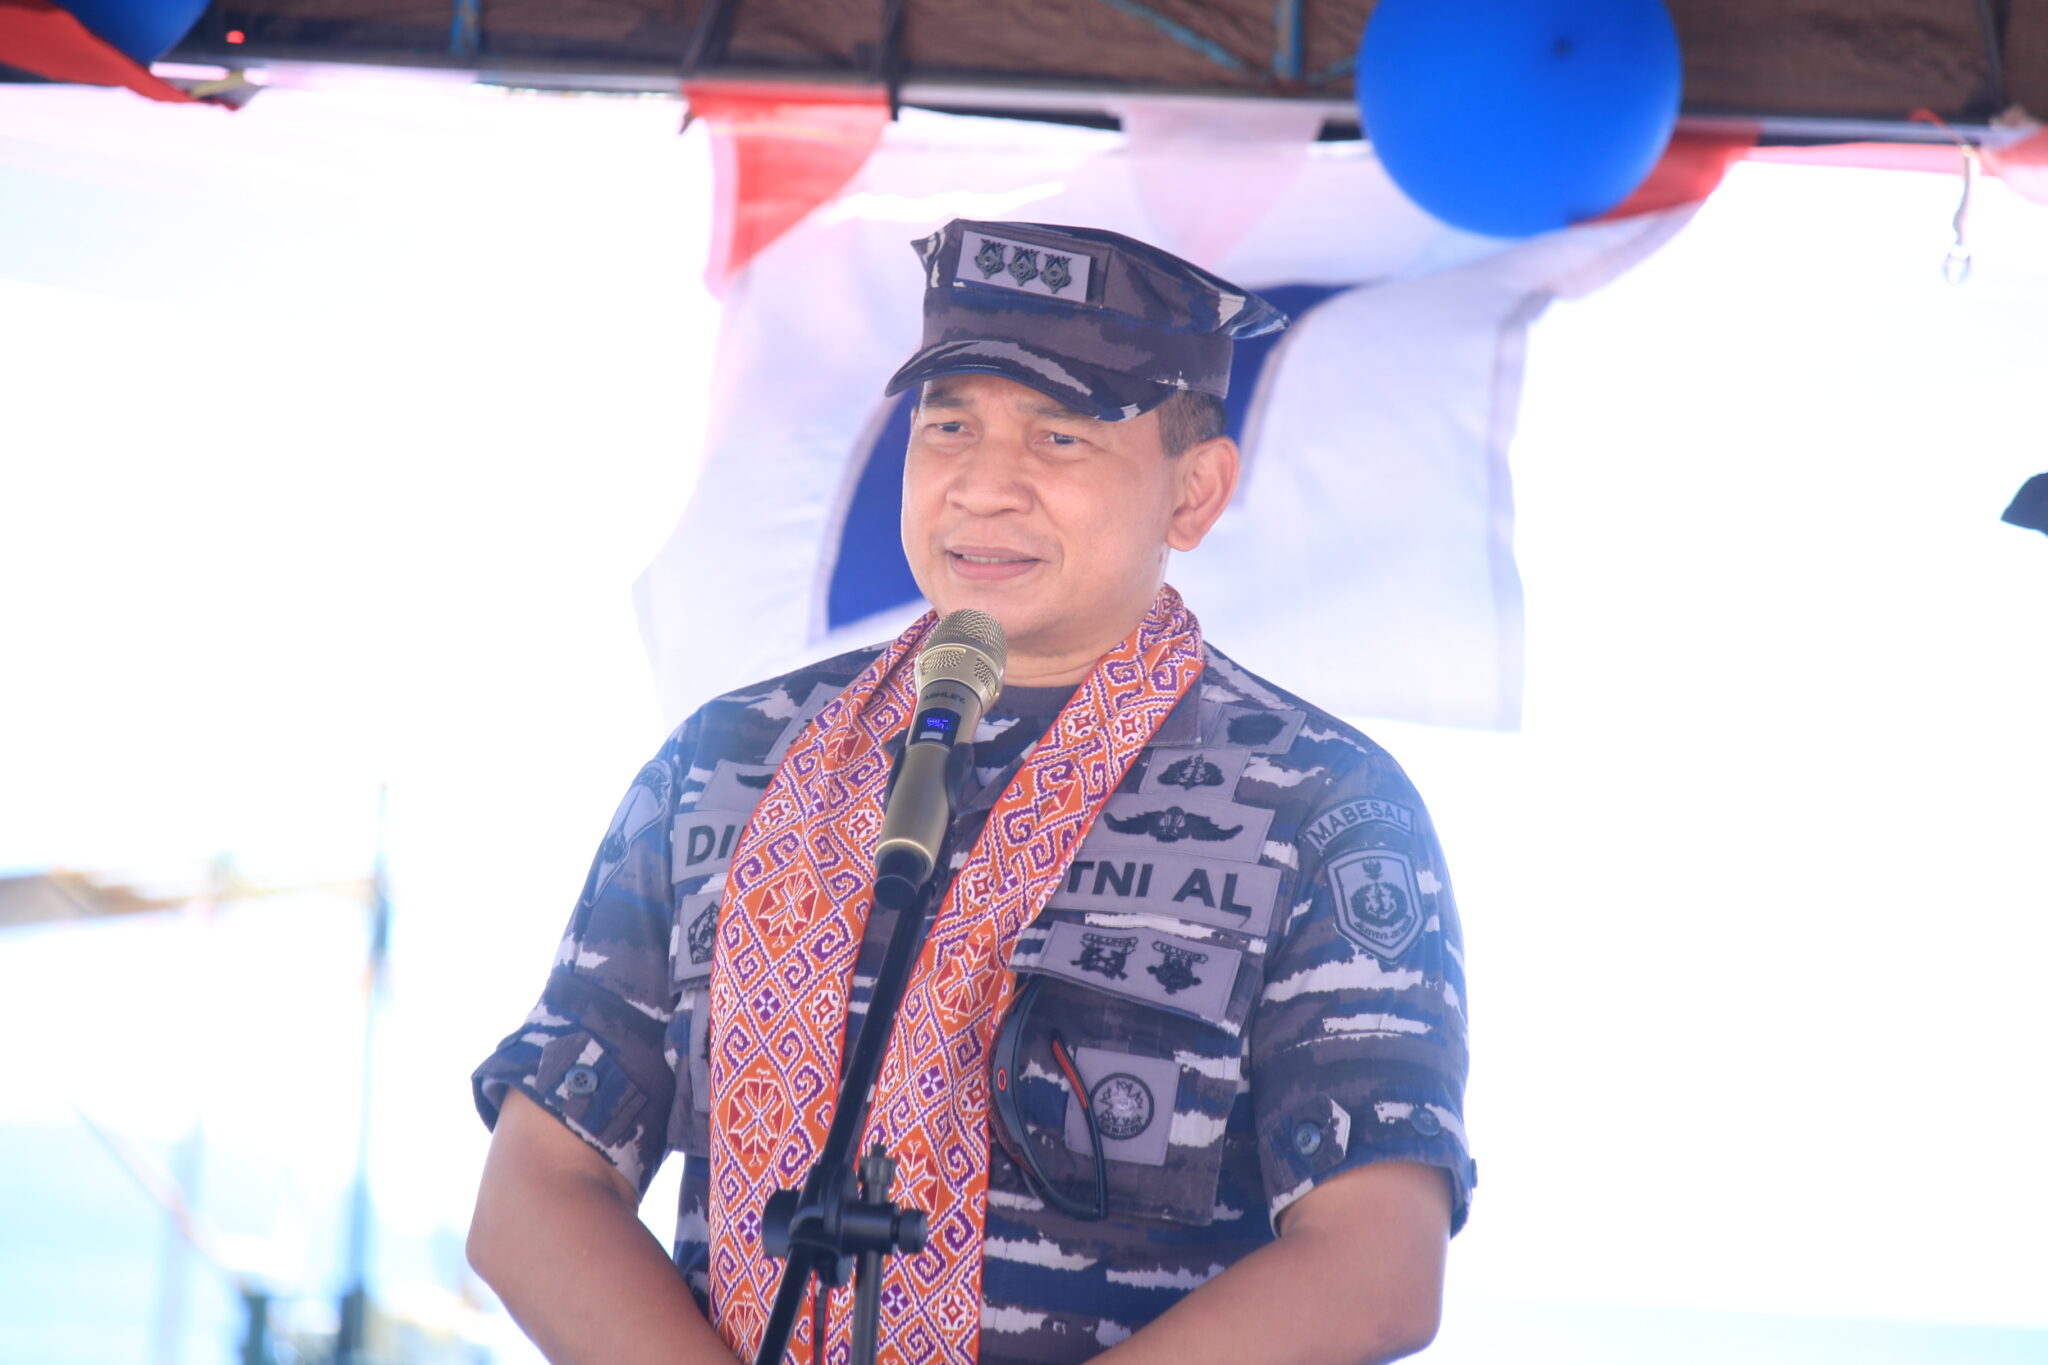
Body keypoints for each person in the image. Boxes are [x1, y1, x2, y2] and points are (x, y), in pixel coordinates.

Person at [468, 219, 1474, 1365]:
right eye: (947, 425)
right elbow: (536, 1191)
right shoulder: (724, 764)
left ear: (1193, 493)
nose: (984, 484)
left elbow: (1375, 1270)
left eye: (1060, 436)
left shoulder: (1321, 806)